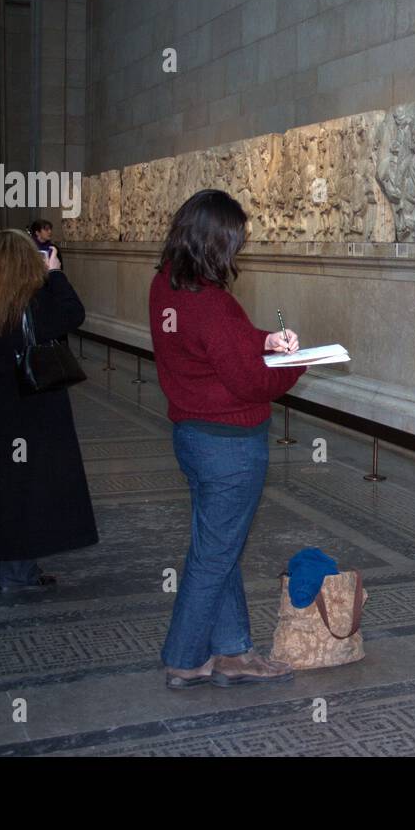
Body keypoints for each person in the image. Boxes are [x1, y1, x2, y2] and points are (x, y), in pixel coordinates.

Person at [149, 189, 306, 690]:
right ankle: (186, 656)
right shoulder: (213, 304)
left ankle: (234, 650)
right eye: (235, 241)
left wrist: (265, 340)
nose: (239, 251)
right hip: (229, 445)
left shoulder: (166, 286)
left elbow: (211, 345)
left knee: (219, 547)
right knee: (214, 554)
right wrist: (298, 362)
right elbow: (253, 382)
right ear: (217, 242)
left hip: (191, 435)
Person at [0, 229, 97, 593]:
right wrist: (55, 272)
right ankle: (15, 572)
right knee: (26, 486)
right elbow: (73, 314)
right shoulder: (34, 303)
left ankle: (12, 564)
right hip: (29, 405)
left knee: (2, 481)